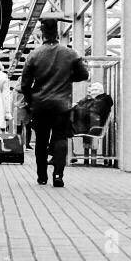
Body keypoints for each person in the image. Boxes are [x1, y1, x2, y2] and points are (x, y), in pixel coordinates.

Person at [21, 15, 89, 188]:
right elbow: (84, 74)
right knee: (60, 139)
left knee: (41, 141)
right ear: (57, 33)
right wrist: (67, 78)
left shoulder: (34, 55)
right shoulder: (70, 53)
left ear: (42, 33)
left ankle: (41, 175)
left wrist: (30, 102)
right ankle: (58, 175)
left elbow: (25, 85)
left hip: (40, 105)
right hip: (62, 106)